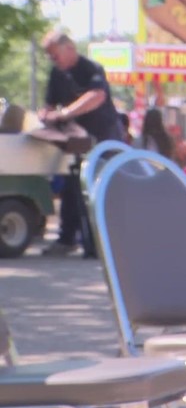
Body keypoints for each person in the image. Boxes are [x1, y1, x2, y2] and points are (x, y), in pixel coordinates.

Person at [39, 29, 125, 258]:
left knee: (100, 188)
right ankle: (67, 240)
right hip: (77, 139)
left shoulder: (91, 69)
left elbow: (96, 97)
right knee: (71, 186)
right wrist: (45, 116)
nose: (53, 60)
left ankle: (101, 242)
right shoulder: (56, 74)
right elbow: (49, 105)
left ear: (69, 49)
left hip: (104, 137)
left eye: (55, 55)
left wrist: (65, 113)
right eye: (50, 57)